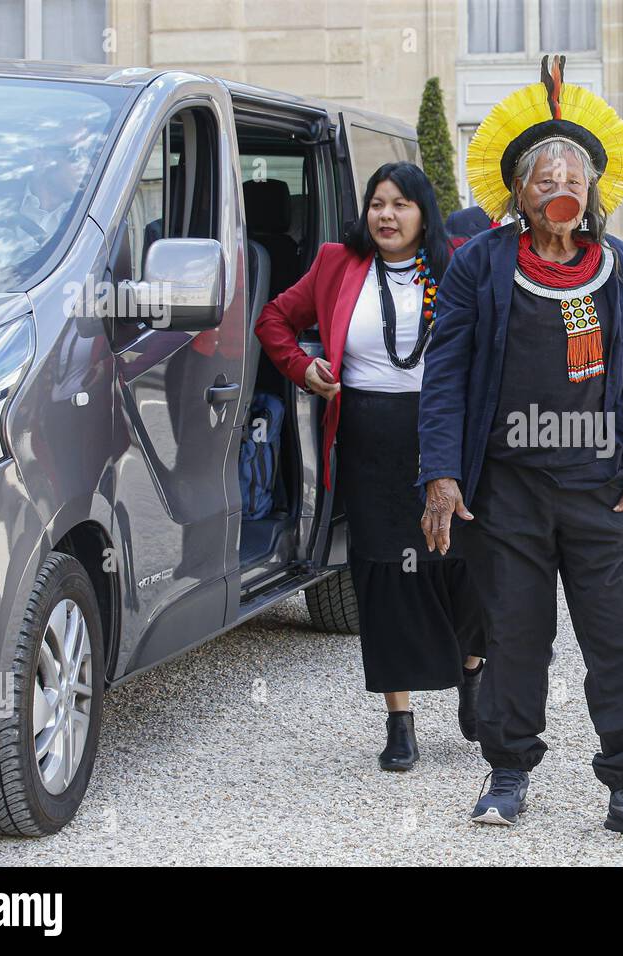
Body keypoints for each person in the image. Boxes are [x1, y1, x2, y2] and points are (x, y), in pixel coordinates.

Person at [418, 56, 623, 847]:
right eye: (544, 177)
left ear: (595, 189)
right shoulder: (480, 265)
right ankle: (508, 770)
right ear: (520, 195)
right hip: (508, 488)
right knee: (513, 633)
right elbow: (446, 376)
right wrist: (441, 475)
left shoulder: (619, 266)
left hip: (598, 484)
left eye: (573, 174)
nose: (560, 185)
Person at [255, 161, 486, 772]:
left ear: (423, 212)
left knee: (464, 563)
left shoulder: (460, 261)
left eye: (400, 204)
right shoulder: (337, 263)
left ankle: (473, 675)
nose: (385, 215)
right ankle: (400, 719)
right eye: (376, 203)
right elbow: (273, 320)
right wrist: (302, 369)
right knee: (384, 575)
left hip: (449, 436)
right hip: (368, 438)